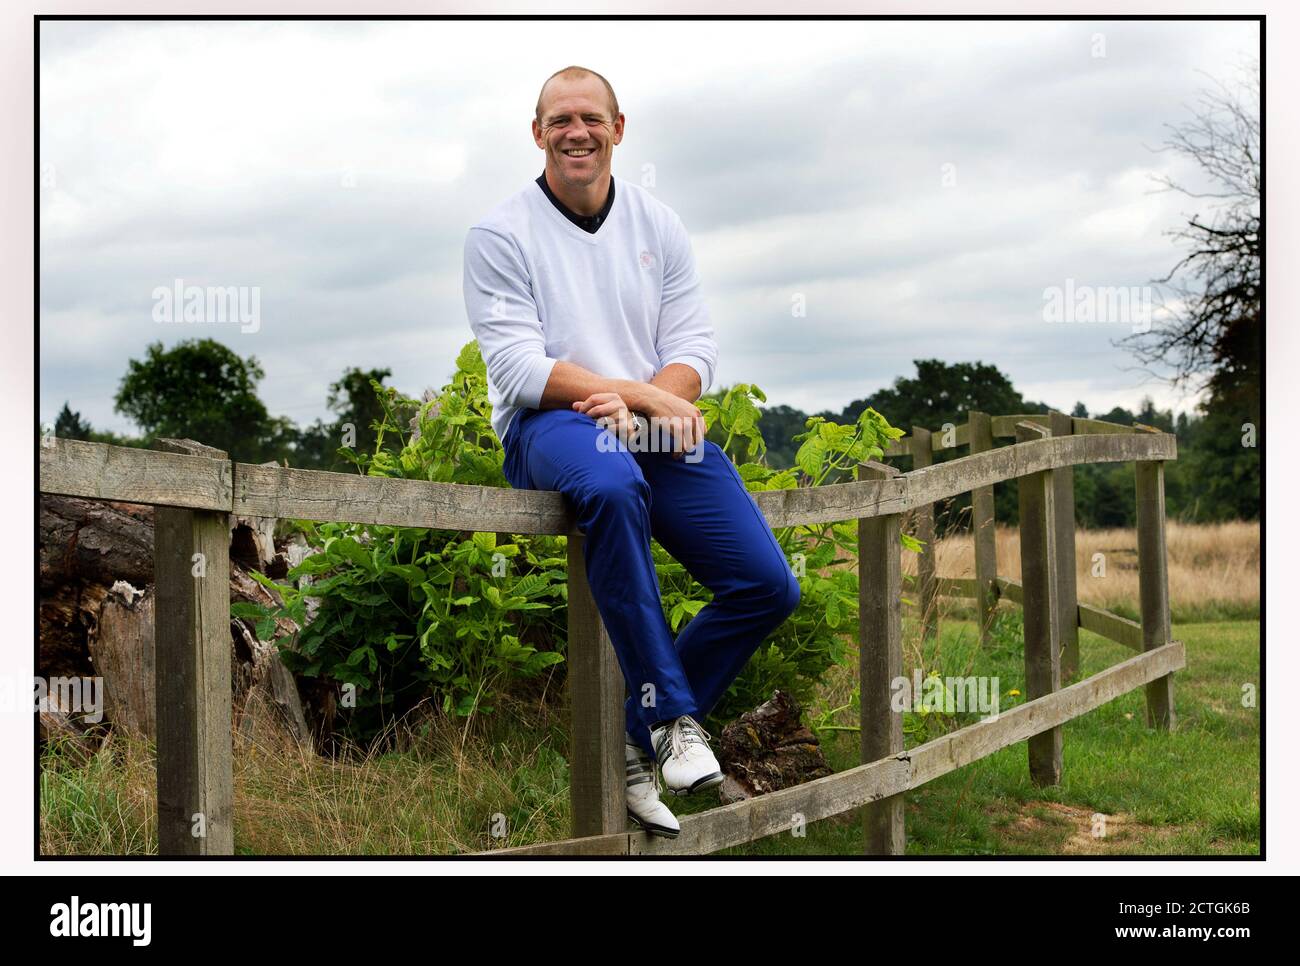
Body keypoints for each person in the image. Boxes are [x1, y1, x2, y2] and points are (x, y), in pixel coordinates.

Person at [462, 65, 801, 838]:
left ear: (619, 128)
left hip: (647, 420)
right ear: (537, 132)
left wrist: (650, 397)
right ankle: (675, 721)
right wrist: (635, 395)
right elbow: (518, 368)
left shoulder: (658, 224)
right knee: (612, 487)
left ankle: (631, 739)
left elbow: (693, 344)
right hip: (550, 424)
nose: (574, 132)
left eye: (590, 117)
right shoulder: (500, 234)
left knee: (766, 584)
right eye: (558, 120)